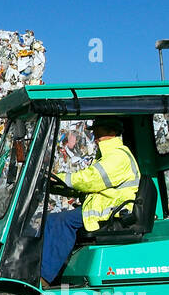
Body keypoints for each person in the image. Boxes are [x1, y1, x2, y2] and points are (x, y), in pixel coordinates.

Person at [41, 117, 141, 285]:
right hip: (104, 206)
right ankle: (53, 271)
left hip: (111, 210)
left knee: (60, 222)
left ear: (111, 132)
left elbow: (92, 179)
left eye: (98, 132)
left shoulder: (118, 156)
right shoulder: (108, 155)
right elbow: (91, 185)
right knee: (53, 219)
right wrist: (58, 186)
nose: (94, 136)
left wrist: (61, 178)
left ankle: (44, 277)